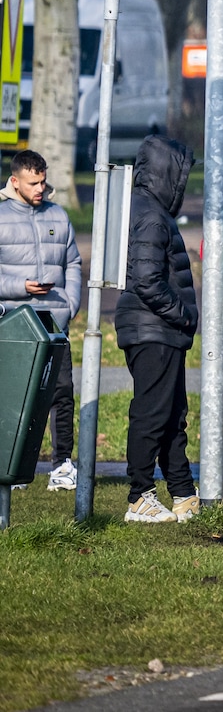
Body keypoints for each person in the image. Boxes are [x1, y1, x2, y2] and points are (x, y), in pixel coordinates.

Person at [114, 134, 200, 523]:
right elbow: (147, 280)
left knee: (171, 413)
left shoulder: (149, 210)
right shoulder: (150, 215)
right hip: (154, 329)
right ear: (168, 173)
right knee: (151, 413)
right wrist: (182, 314)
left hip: (158, 329)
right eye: (181, 175)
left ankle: (183, 493)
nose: (184, 184)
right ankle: (139, 497)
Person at [0, 149, 82, 491]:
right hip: (14, 321)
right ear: (15, 181)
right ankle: (12, 463)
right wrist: (19, 287)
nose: (40, 188)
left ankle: (62, 465)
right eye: (33, 183)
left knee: (61, 393)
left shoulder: (58, 215)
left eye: (43, 182)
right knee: (15, 396)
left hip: (53, 321)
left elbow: (73, 263)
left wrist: (71, 303)